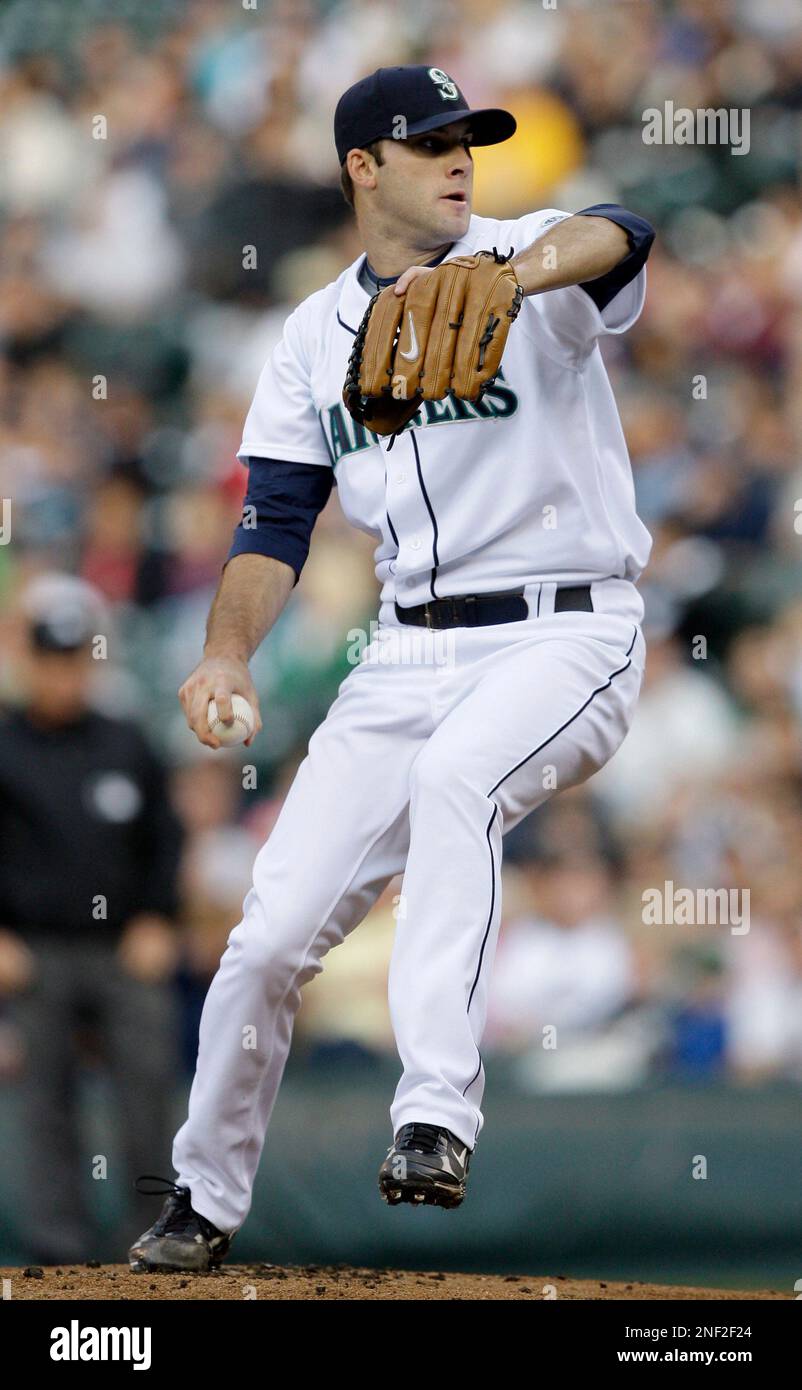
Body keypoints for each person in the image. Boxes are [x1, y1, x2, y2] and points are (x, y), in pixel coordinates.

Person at [129, 65, 655, 1273]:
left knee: (457, 781)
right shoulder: (312, 336)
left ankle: (433, 1115)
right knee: (267, 939)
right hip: (405, 643)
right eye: (429, 143)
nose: (459, 157)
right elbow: (273, 518)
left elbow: (622, 231)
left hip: (565, 628)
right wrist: (222, 651)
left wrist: (511, 275)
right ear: (363, 167)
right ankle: (202, 1199)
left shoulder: (530, 254)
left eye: (467, 139)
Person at [0, 574, 183, 1263]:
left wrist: (159, 918)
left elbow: (165, 838)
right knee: (45, 1103)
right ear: (30, 662)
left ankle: (155, 1238)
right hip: (35, 949)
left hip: (122, 947)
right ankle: (59, 1250)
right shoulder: (6, 747)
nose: (62, 676)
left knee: (146, 1091)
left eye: (74, 661)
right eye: (50, 661)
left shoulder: (126, 743)